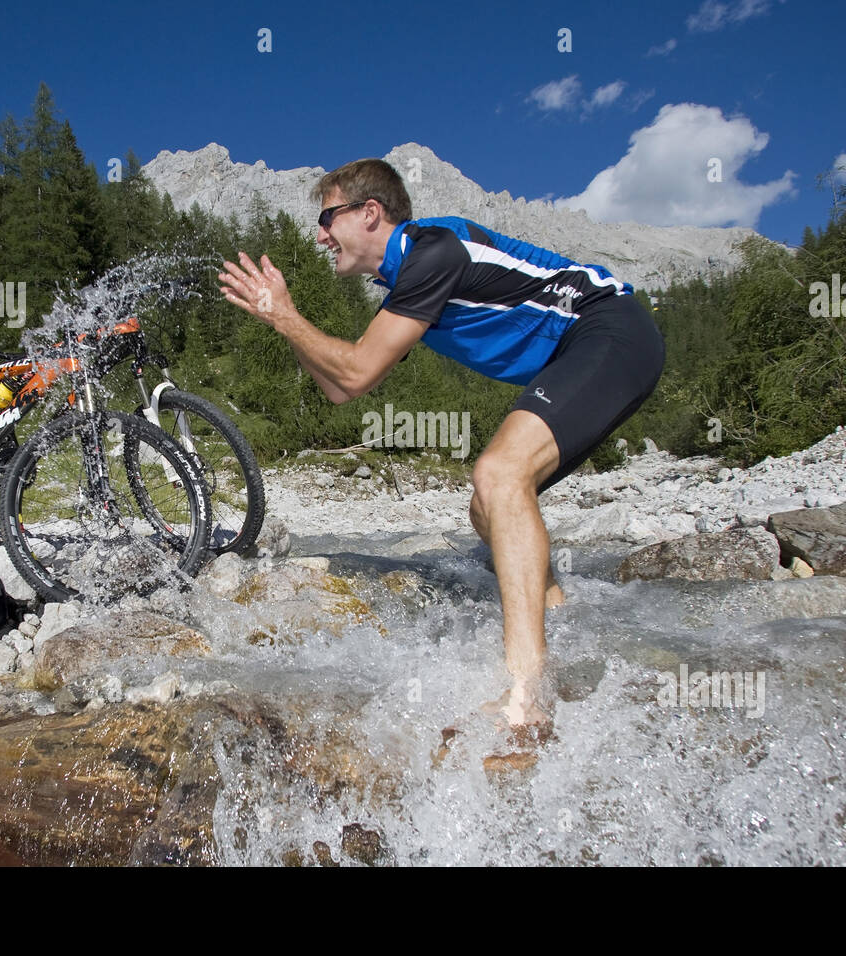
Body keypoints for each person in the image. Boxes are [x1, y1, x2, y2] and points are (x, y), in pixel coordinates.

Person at [218, 158, 664, 734]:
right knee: (489, 509)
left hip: (607, 329)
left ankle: (526, 696)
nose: (320, 234)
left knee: (500, 474)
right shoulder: (411, 279)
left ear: (370, 212)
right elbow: (340, 389)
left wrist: (287, 315)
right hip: (583, 354)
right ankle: (558, 612)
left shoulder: (433, 251)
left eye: (328, 217)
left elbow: (352, 373)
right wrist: (282, 322)